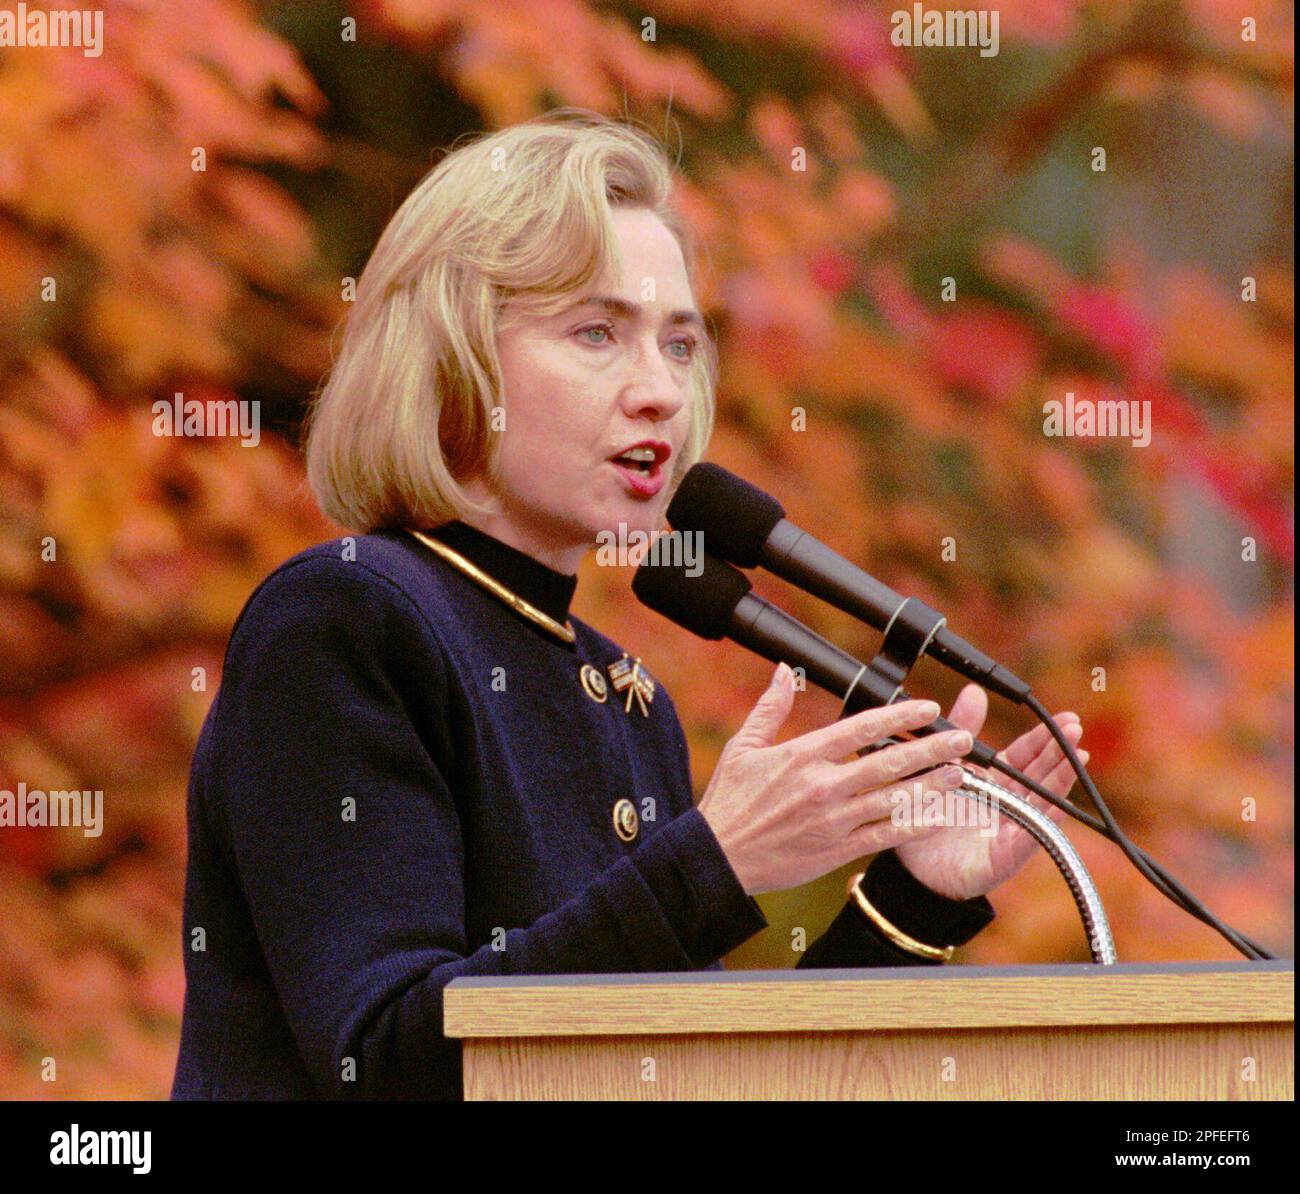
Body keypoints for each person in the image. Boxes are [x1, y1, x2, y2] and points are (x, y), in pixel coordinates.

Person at [171, 111, 1086, 1101]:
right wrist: (712, 864)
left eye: (681, 344)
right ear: (451, 356)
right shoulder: (345, 620)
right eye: (597, 333)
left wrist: (912, 902)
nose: (659, 390)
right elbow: (387, 1062)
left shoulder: (626, 697)